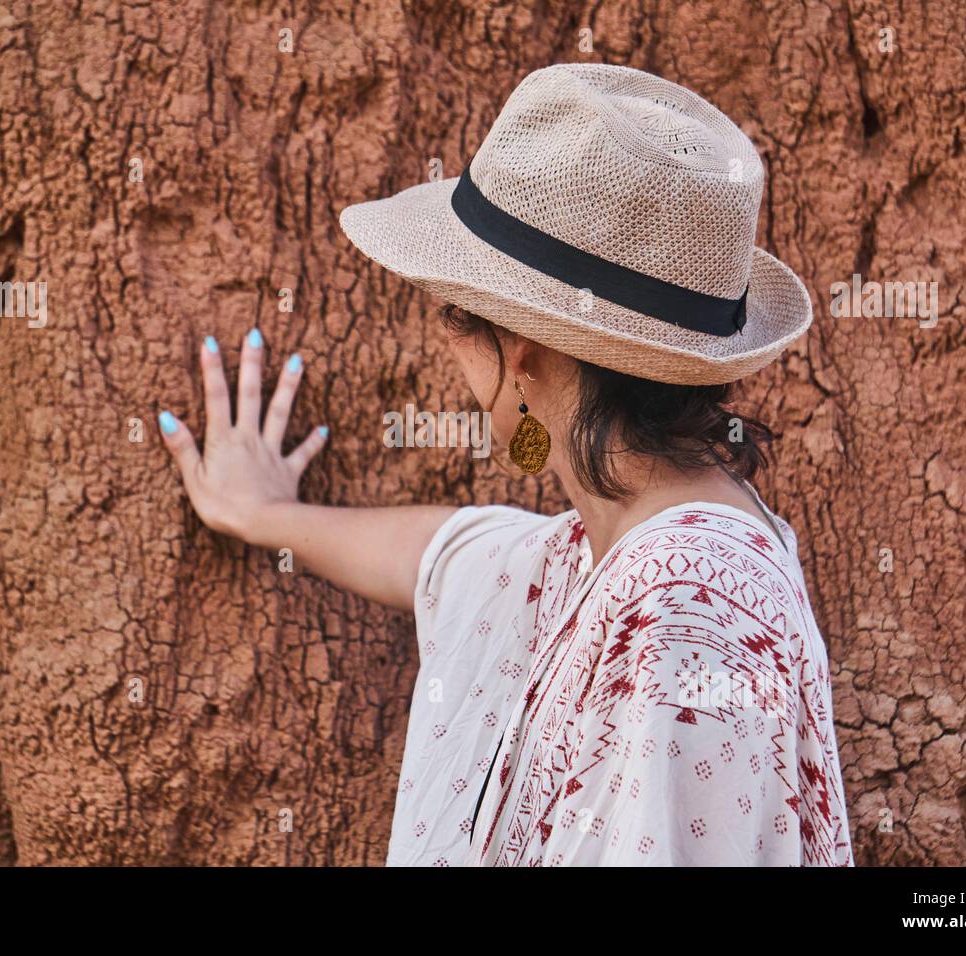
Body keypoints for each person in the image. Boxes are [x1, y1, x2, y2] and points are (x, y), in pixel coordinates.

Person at [158, 64, 852, 866]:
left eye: (455, 321)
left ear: (519, 350)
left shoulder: (685, 615)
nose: (448, 353)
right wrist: (267, 515)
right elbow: (448, 555)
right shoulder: (621, 550)